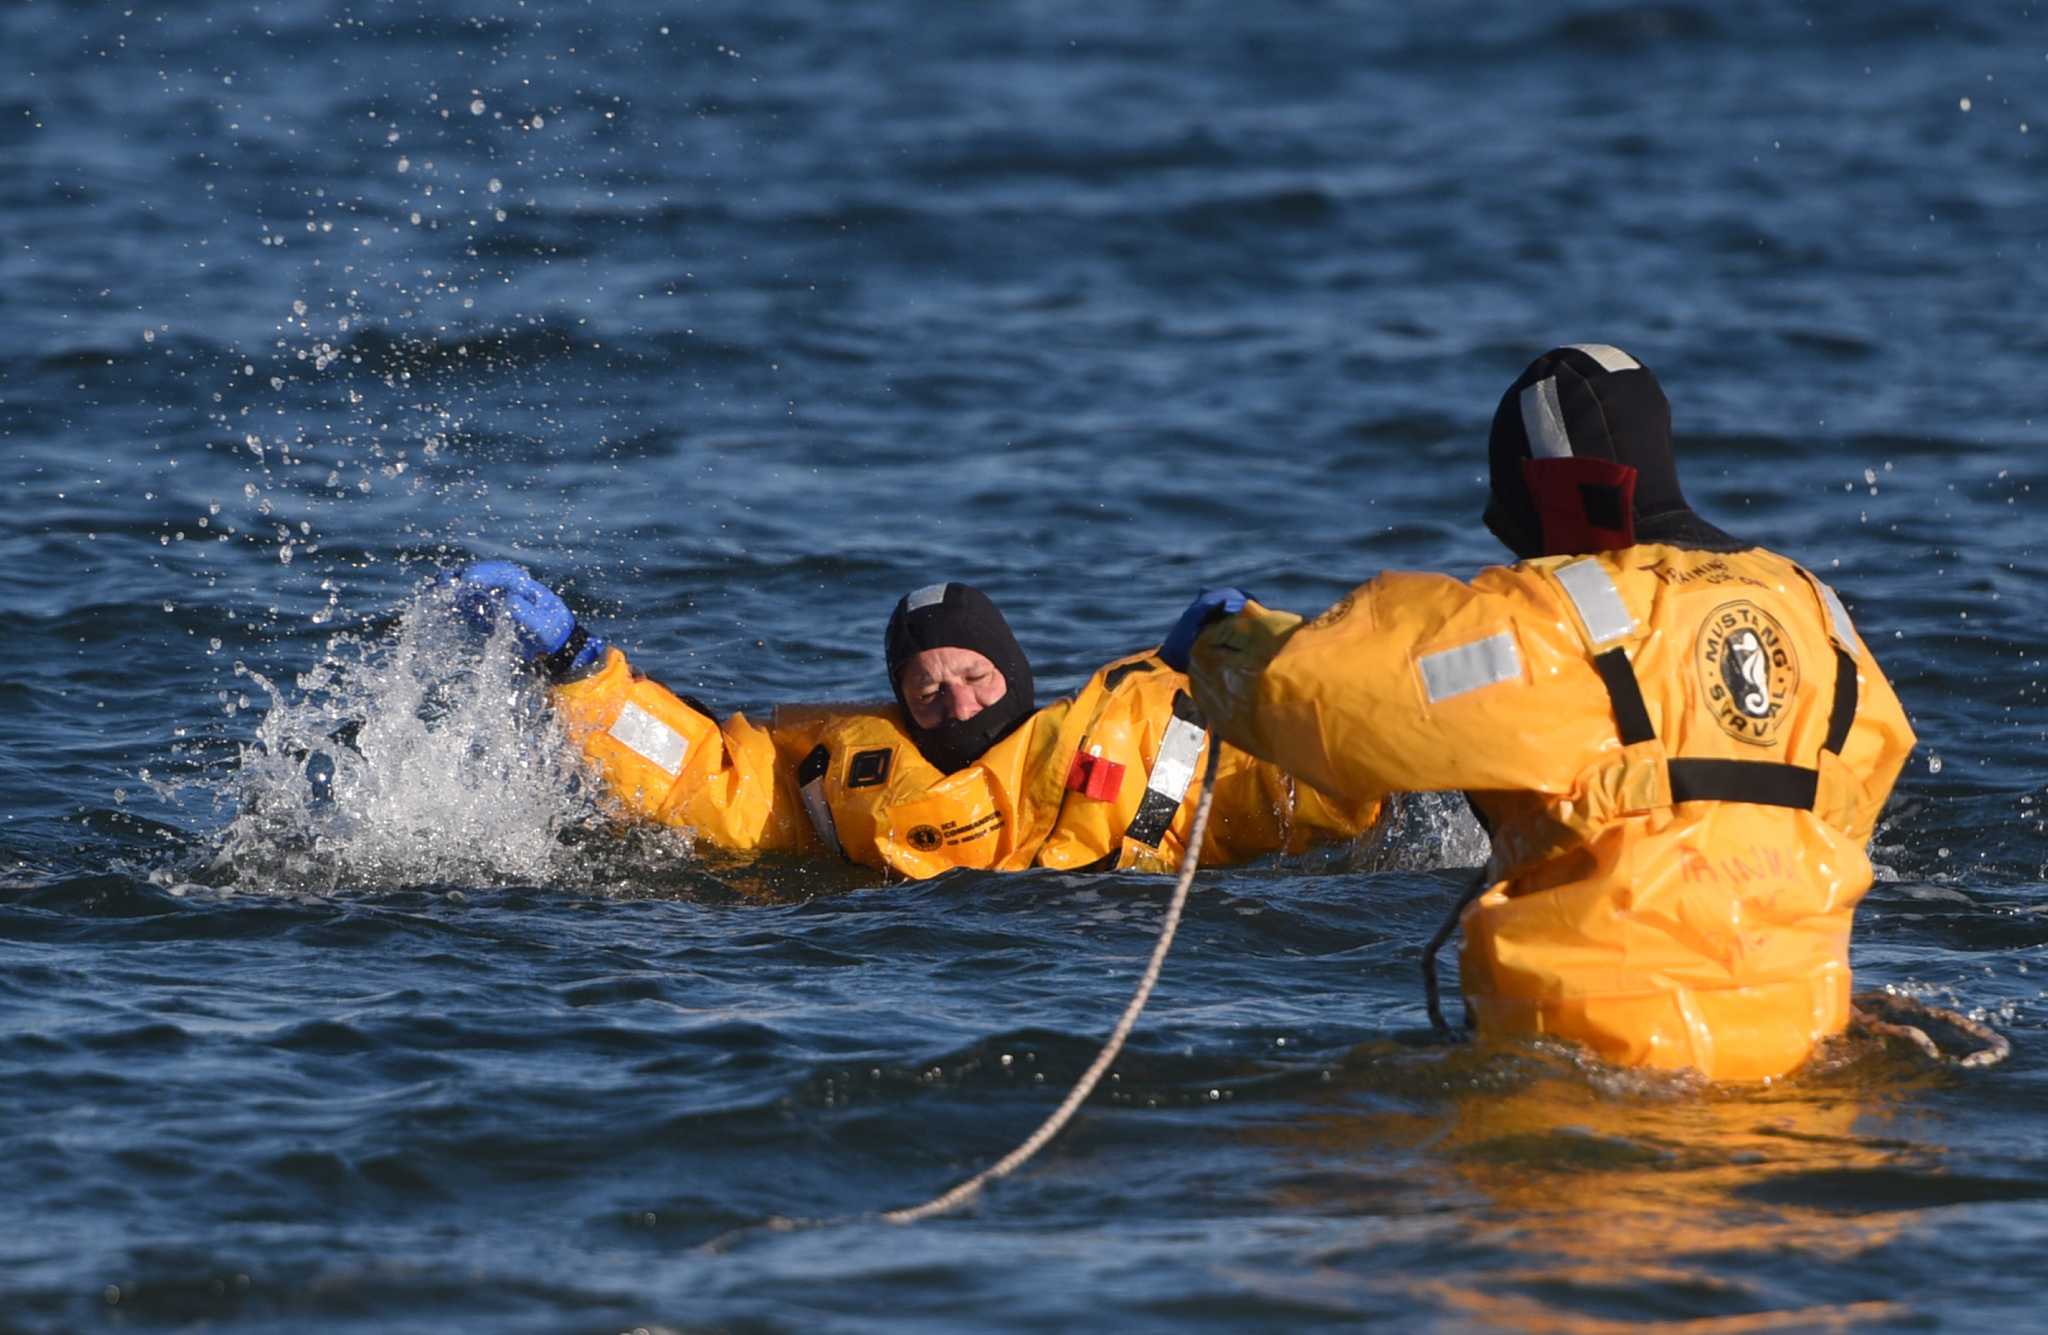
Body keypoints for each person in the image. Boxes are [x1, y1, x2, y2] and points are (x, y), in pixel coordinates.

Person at [1160, 344, 1915, 1081]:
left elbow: (1321, 697)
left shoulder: (1560, 619)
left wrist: (1225, 644)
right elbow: (1870, 770)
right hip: (1802, 1065)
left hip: (1596, 1074)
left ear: (1552, 499)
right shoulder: (1813, 610)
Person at [451, 569, 1381, 878]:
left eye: (974, 675)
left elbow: (1325, 780)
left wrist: (1268, 656)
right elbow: (703, 779)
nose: (955, 701)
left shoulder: (1149, 735)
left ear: (1011, 671)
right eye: (925, 686)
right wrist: (574, 662)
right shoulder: (842, 776)